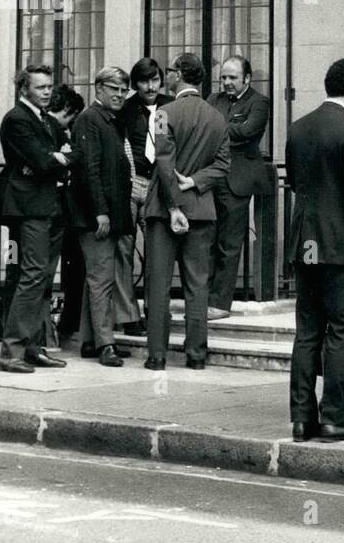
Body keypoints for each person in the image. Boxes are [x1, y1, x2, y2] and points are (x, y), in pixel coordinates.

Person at [285, 58, 344, 442]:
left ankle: (302, 416)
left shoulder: (298, 127)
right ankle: (335, 415)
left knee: (307, 331)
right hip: (341, 247)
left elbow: (293, 181)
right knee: (342, 332)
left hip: (306, 242)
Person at [143, 53, 230, 372]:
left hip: (165, 211)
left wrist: (172, 206)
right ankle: (196, 354)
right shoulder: (218, 117)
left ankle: (157, 355)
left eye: (169, 72)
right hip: (202, 210)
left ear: (179, 75)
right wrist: (195, 181)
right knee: (198, 285)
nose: (165, 77)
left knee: (159, 284)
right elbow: (223, 166)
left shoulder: (163, 113)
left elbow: (164, 162)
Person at [0, 66, 71, 374]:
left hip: (49, 205)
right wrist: (55, 157)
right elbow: (41, 161)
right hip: (29, 208)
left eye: (48, 86)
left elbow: (66, 156)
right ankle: (11, 352)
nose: (46, 91)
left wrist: (58, 157)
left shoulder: (47, 120)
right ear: (24, 89)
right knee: (31, 276)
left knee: (41, 278)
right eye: (39, 87)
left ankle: (33, 347)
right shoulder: (16, 119)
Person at [68, 67, 134, 368]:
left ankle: (90, 341)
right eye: (113, 88)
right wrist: (100, 212)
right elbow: (88, 170)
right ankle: (106, 344)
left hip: (104, 213)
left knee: (96, 278)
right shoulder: (91, 119)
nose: (119, 94)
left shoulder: (106, 120)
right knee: (101, 279)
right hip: (96, 215)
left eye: (123, 90)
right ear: (98, 89)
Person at [207, 55, 271, 318]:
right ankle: (203, 300)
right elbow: (228, 130)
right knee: (207, 241)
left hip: (238, 181)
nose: (227, 82)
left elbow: (248, 132)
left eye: (232, 77)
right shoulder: (213, 99)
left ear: (247, 78)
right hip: (211, 177)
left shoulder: (259, 102)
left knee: (229, 244)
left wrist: (217, 128)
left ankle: (220, 304)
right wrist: (231, 128)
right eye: (223, 77)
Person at [115, 57, 172, 334]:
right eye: (143, 81)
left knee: (156, 254)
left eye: (154, 80)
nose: (150, 86)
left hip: (157, 187)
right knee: (123, 252)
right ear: (135, 84)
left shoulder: (171, 106)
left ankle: (156, 313)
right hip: (130, 183)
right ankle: (129, 317)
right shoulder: (125, 109)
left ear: (161, 80)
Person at [46, 86, 86, 349]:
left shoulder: (54, 130)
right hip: (52, 210)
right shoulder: (51, 130)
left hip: (64, 210)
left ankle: (61, 326)